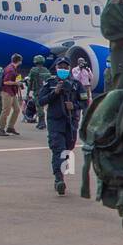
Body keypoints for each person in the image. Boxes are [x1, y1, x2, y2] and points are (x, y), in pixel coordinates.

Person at [37, 57, 80, 195]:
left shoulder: (76, 84)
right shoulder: (50, 84)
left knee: (68, 148)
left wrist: (74, 106)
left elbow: (84, 102)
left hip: (71, 121)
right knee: (58, 149)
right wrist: (54, 93)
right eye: (60, 67)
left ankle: (62, 167)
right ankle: (59, 179)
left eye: (66, 67)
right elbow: (41, 101)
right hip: (55, 121)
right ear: (56, 68)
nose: (63, 69)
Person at [0, 53, 24, 136]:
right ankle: (1, 129)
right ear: (19, 61)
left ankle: (10, 127)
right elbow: (6, 82)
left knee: (17, 109)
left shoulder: (13, 68)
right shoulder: (10, 70)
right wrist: (16, 83)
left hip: (12, 92)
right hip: (7, 92)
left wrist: (19, 81)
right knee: (6, 111)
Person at [27, 54, 50, 129]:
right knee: (42, 106)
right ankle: (41, 122)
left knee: (39, 106)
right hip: (45, 91)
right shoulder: (46, 70)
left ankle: (42, 122)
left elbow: (30, 82)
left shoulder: (33, 70)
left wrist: (28, 92)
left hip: (37, 91)